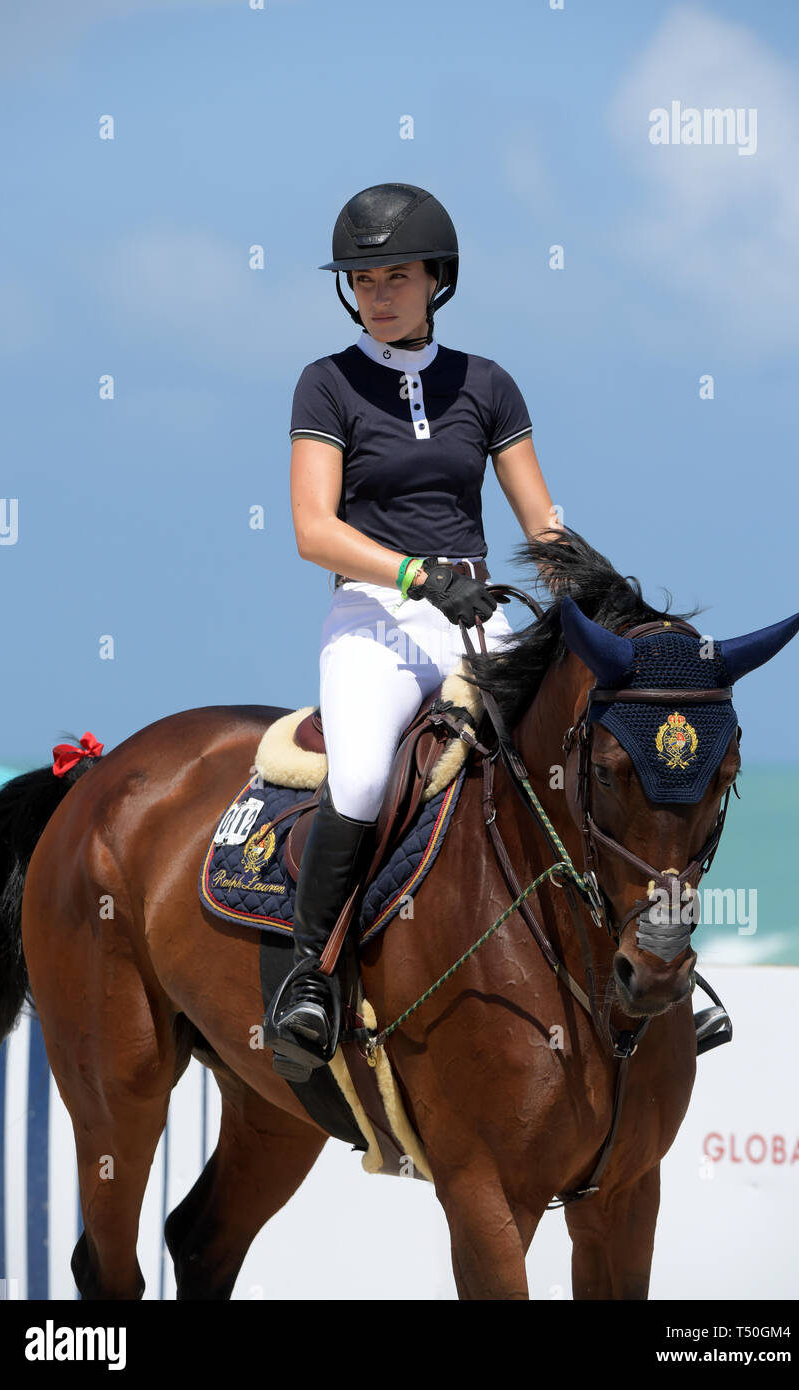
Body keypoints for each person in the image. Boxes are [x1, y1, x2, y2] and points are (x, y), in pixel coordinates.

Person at [264, 182, 560, 1081]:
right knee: (359, 773)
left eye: (396, 275)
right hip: (374, 613)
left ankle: (645, 959)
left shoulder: (488, 384)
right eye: (361, 278)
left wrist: (593, 590)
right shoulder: (327, 382)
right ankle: (310, 982)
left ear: (438, 278)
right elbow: (313, 527)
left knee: (581, 740)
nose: (376, 293)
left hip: (477, 610)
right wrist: (417, 575)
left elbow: (541, 524)